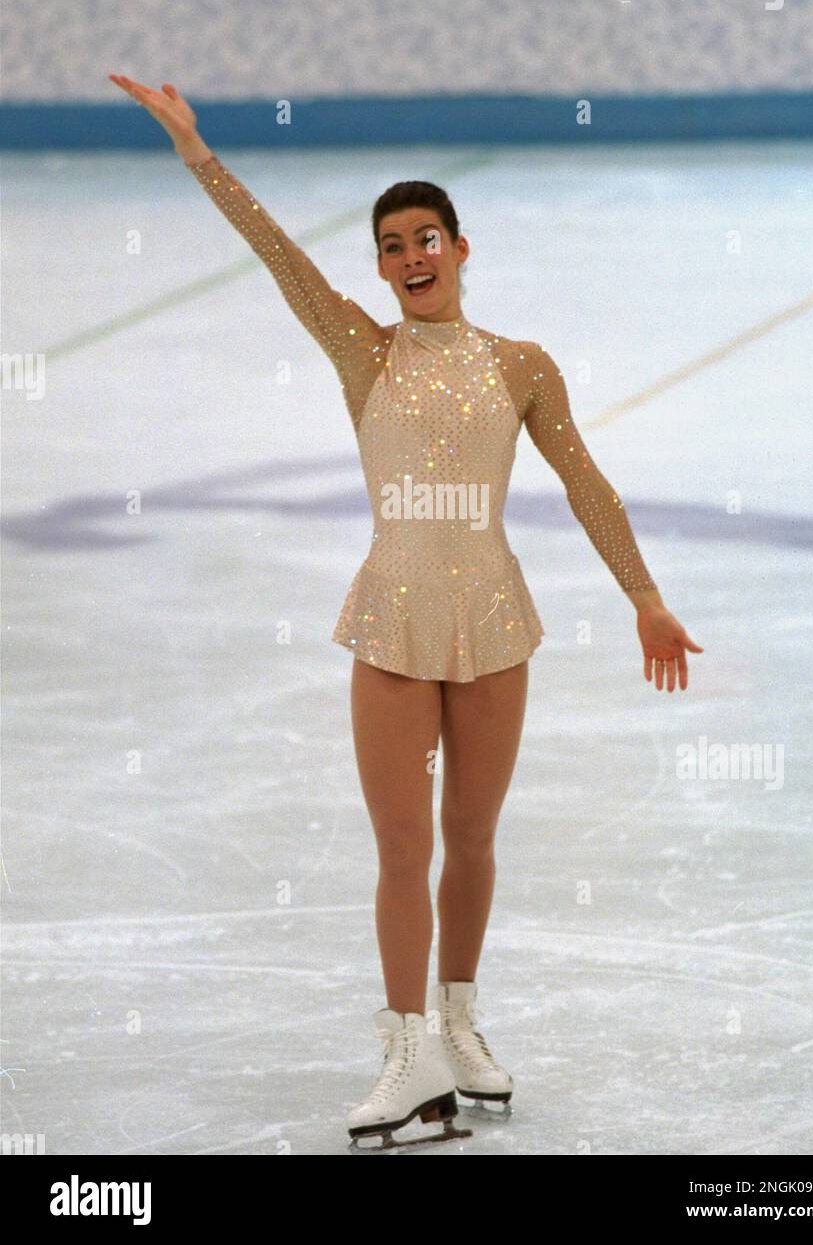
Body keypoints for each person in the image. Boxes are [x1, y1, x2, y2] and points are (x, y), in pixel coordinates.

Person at [108, 75, 704, 1151]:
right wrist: (197, 151)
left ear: (461, 247)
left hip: (494, 623)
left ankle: (461, 1026)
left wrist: (646, 599)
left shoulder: (523, 367)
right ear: (379, 266)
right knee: (401, 846)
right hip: (390, 621)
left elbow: (587, 483)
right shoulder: (363, 349)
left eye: (427, 236)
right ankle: (405, 1049)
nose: (411, 255)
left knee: (470, 835)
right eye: (391, 245)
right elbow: (276, 252)